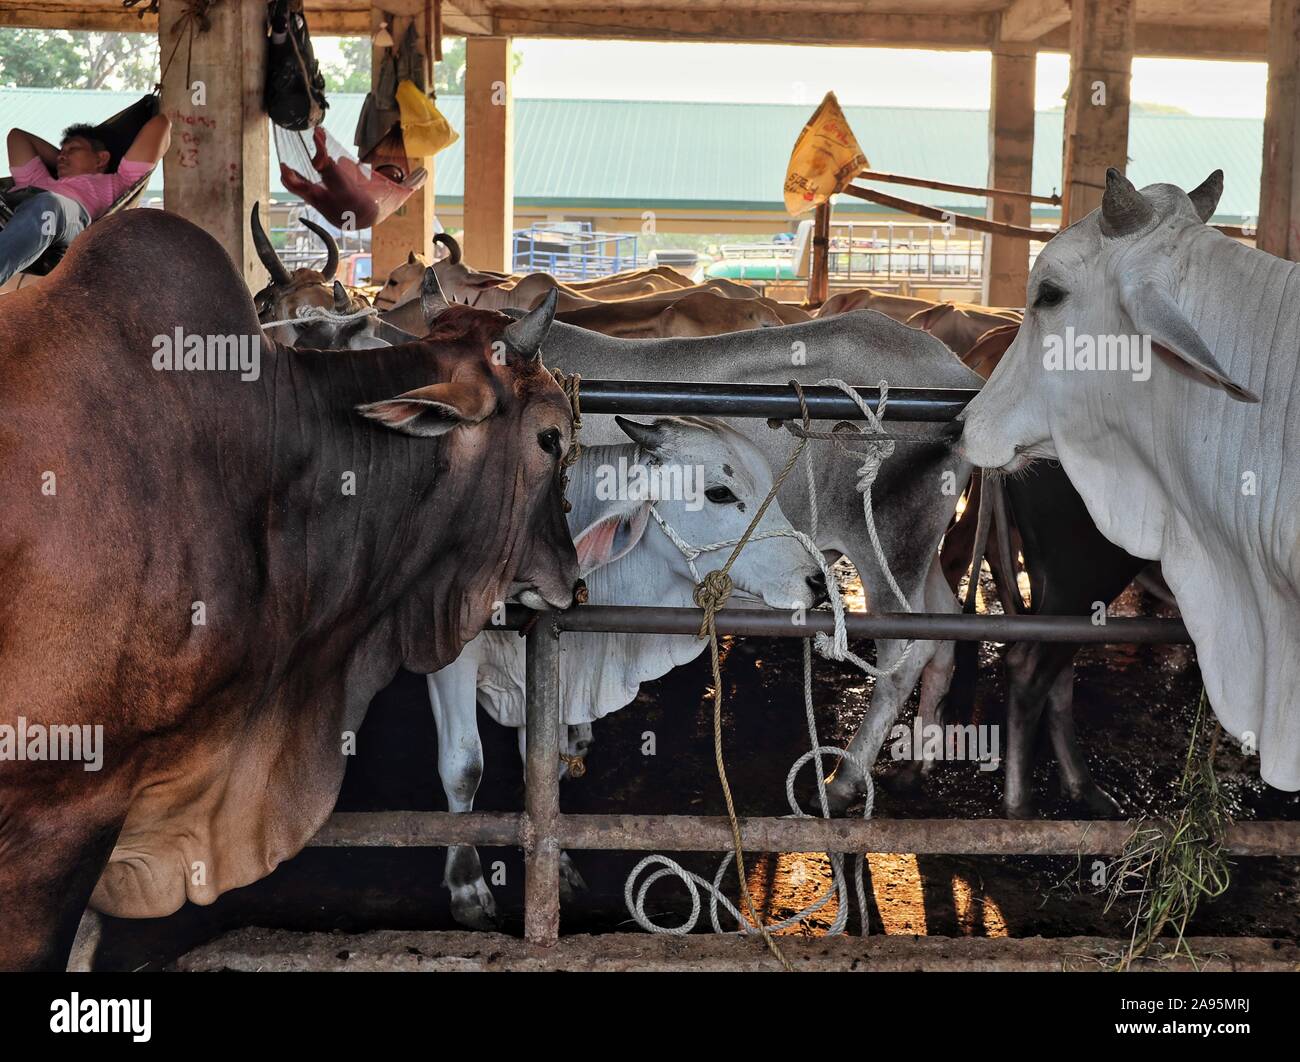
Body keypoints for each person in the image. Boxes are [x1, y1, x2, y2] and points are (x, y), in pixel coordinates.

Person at [0, 112, 171, 284]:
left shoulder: (117, 181)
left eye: (73, 149)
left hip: (63, 222)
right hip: (14, 213)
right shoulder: (38, 178)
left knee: (48, 204)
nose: (61, 155)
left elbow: (160, 124)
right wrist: (67, 158)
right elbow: (16, 136)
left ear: (101, 158)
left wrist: (150, 104)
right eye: (61, 151)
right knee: (40, 202)